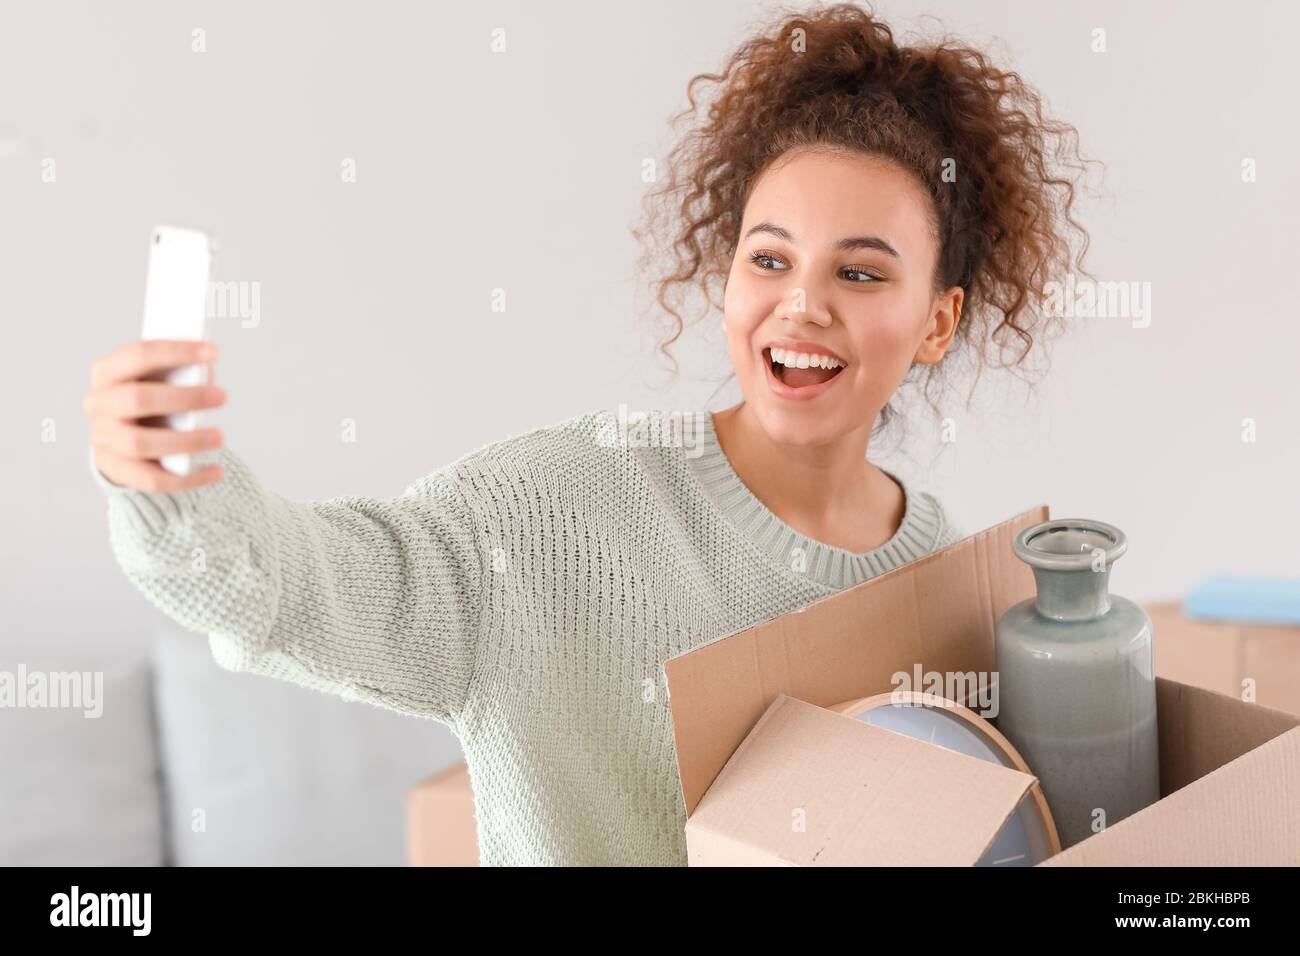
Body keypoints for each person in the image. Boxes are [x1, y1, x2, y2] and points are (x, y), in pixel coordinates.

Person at [84, 3, 1091, 866]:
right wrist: (171, 481)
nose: (801, 305)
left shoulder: (951, 584)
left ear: (936, 322)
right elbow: (302, 588)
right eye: (769, 258)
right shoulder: (560, 506)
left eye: (860, 272)